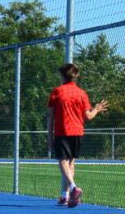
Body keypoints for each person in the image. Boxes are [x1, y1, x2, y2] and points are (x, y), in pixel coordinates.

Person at [46, 63, 107, 206]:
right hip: (78, 132)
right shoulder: (81, 93)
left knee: (62, 161)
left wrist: (49, 136)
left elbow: (50, 116)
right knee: (71, 163)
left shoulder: (57, 92)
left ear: (62, 76)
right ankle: (65, 196)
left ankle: (74, 188)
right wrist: (97, 109)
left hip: (63, 131)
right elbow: (88, 116)